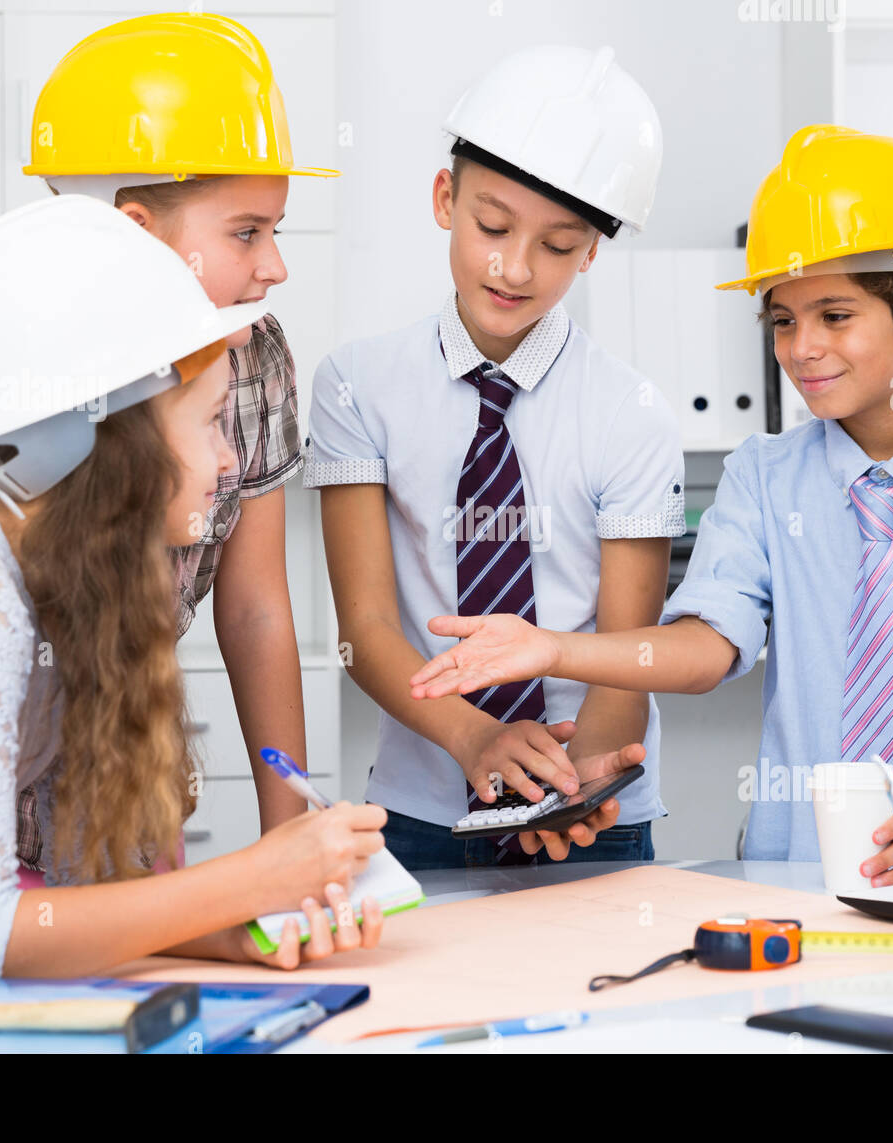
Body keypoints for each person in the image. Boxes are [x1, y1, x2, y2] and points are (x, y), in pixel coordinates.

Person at [408, 125, 893, 887]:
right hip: (806, 874)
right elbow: (706, 650)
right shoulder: (765, 478)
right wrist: (554, 648)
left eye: (834, 316)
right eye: (783, 320)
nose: (800, 347)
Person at [0, 195, 386, 978]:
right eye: (209, 425)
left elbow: (66, 897)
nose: (231, 462)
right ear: (118, 444)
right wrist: (256, 875)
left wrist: (239, 931)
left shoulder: (71, 594)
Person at [304, 46, 683, 869]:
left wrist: (575, 789)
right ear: (446, 199)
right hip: (422, 811)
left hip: (595, 808)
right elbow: (364, 629)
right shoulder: (356, 388)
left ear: (590, 251)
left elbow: (630, 649)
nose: (514, 267)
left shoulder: (632, 414)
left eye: (557, 245)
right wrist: (476, 740)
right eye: (492, 226)